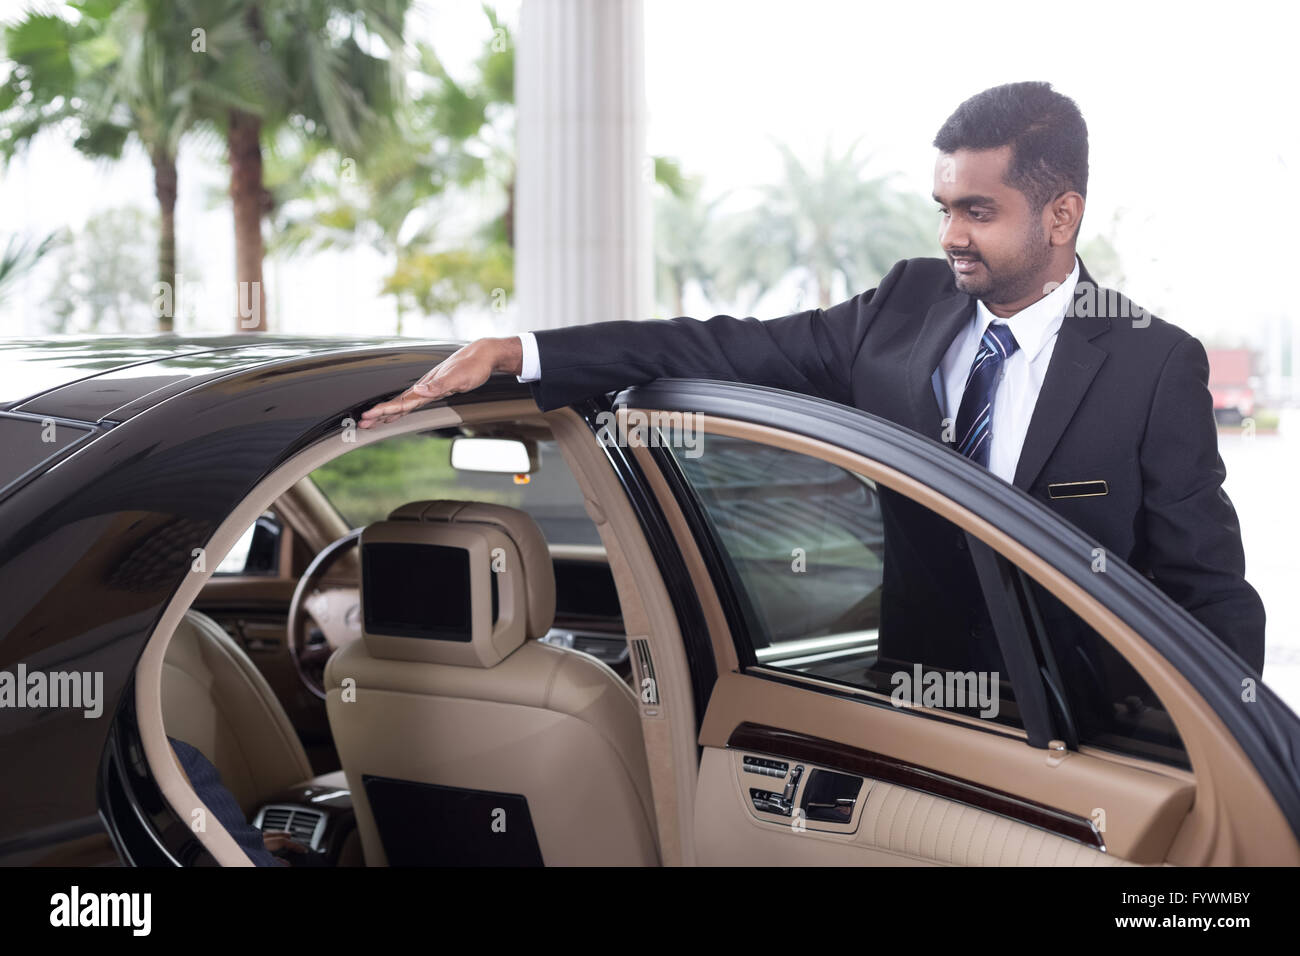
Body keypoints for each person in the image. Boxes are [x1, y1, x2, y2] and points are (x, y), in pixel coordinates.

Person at [359, 81, 1265, 674]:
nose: (951, 234)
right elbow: (718, 348)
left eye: (979, 211)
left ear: (1062, 215)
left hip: (1091, 750)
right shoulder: (907, 306)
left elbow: (1209, 590)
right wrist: (523, 354)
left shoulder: (1151, 363)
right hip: (917, 717)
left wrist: (1233, 763)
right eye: (944, 207)